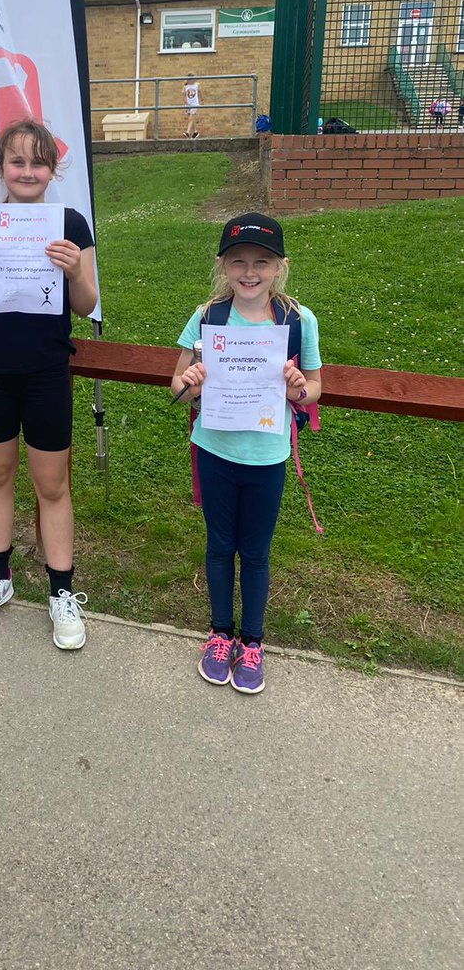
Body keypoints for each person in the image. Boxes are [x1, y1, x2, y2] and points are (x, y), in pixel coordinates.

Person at [0, 118, 98, 650]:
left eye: (38, 162)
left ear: (52, 169)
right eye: (17, 161)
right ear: (1, 168)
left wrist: (76, 272)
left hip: (45, 372)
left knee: (52, 484)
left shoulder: (70, 224)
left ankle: (62, 592)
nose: (28, 171)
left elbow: (85, 306)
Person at [170, 213, 323, 694]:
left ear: (280, 266)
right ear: (223, 265)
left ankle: (252, 642)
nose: (250, 272)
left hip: (265, 457)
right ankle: (219, 635)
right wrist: (191, 384)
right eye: (238, 261)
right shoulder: (207, 317)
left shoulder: (298, 321)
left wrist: (299, 389)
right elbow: (176, 385)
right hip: (214, 450)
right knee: (219, 545)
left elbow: (316, 387)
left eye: (262, 261)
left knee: (255, 552)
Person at [183, 74, 201, 139]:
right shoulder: (185, 87)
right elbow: (184, 96)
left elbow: (199, 92)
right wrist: (185, 104)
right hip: (188, 105)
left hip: (195, 104)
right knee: (191, 119)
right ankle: (195, 132)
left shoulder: (196, 85)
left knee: (190, 118)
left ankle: (187, 132)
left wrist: (202, 100)